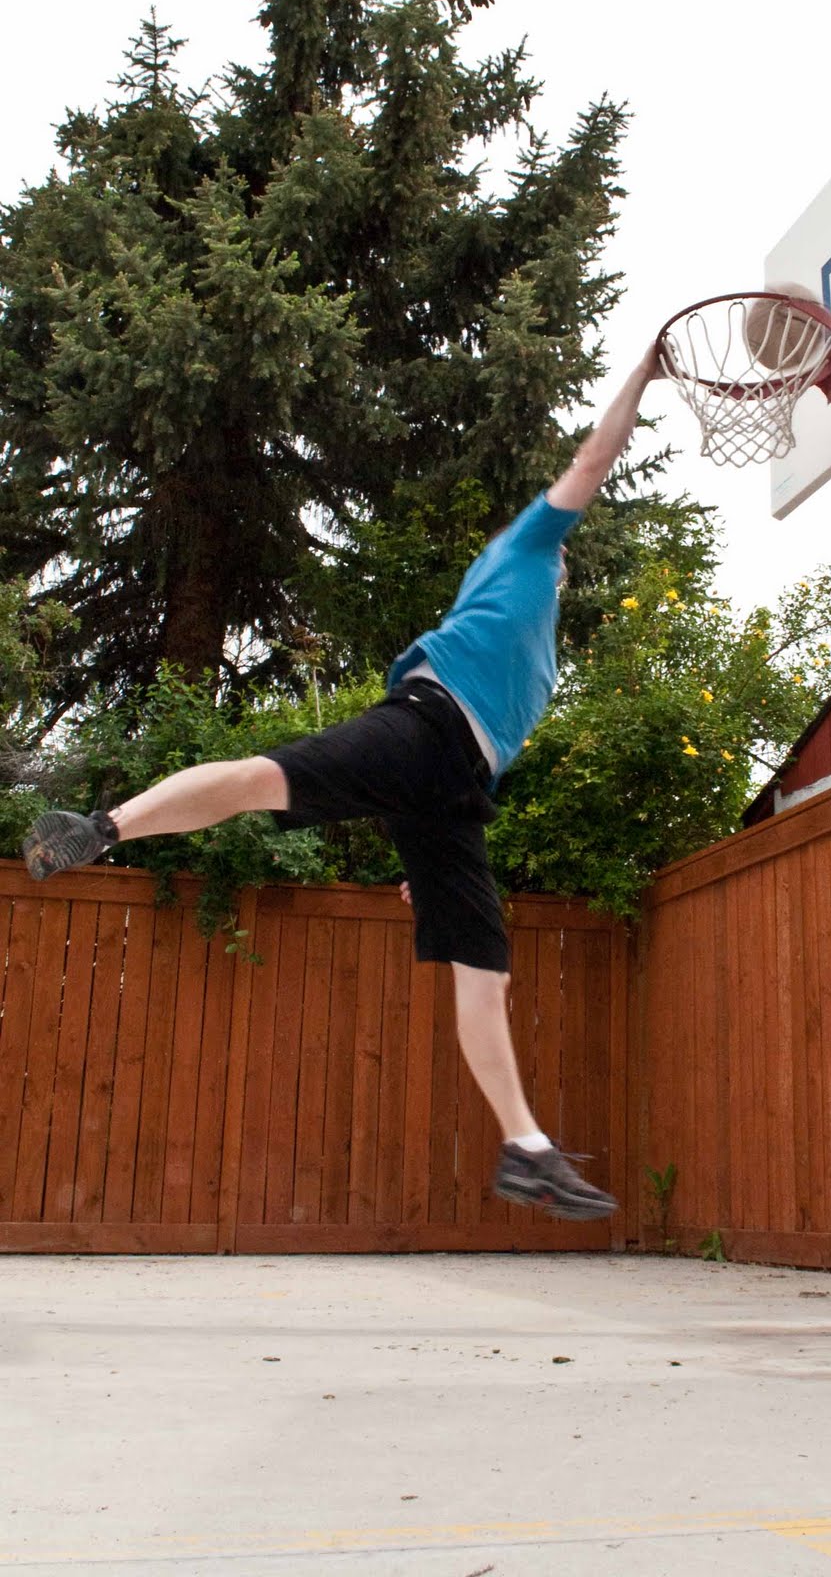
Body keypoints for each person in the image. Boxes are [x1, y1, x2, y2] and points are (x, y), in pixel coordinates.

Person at [23, 346, 664, 1220]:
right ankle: (102, 827)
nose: (565, 568)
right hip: (424, 730)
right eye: (564, 558)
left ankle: (526, 1147)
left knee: (485, 969)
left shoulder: (534, 644)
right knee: (263, 778)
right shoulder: (525, 545)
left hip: (453, 785)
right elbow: (593, 458)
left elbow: (484, 743)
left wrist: (427, 849)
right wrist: (643, 374)